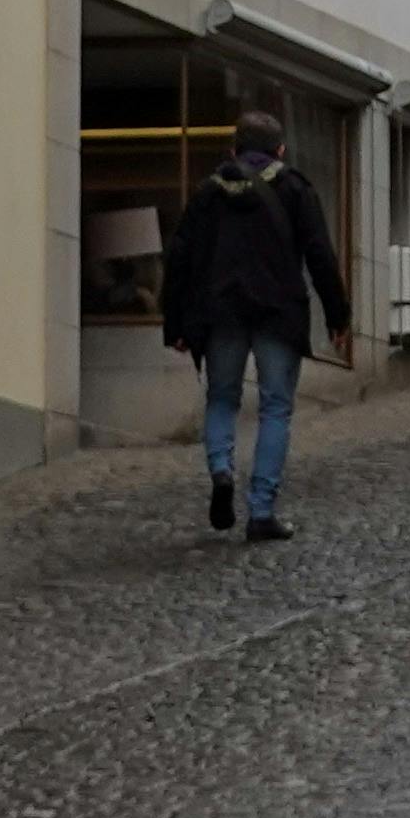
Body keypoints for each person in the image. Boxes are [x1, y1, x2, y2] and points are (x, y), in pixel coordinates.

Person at [159, 105, 352, 545]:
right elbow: (320, 255)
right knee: (275, 408)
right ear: (280, 150)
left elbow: (181, 259)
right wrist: (338, 315)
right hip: (277, 313)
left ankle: (222, 471)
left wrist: (177, 324)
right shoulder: (295, 190)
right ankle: (261, 510)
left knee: (222, 398)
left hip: (221, 312)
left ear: (234, 149)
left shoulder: (208, 194)